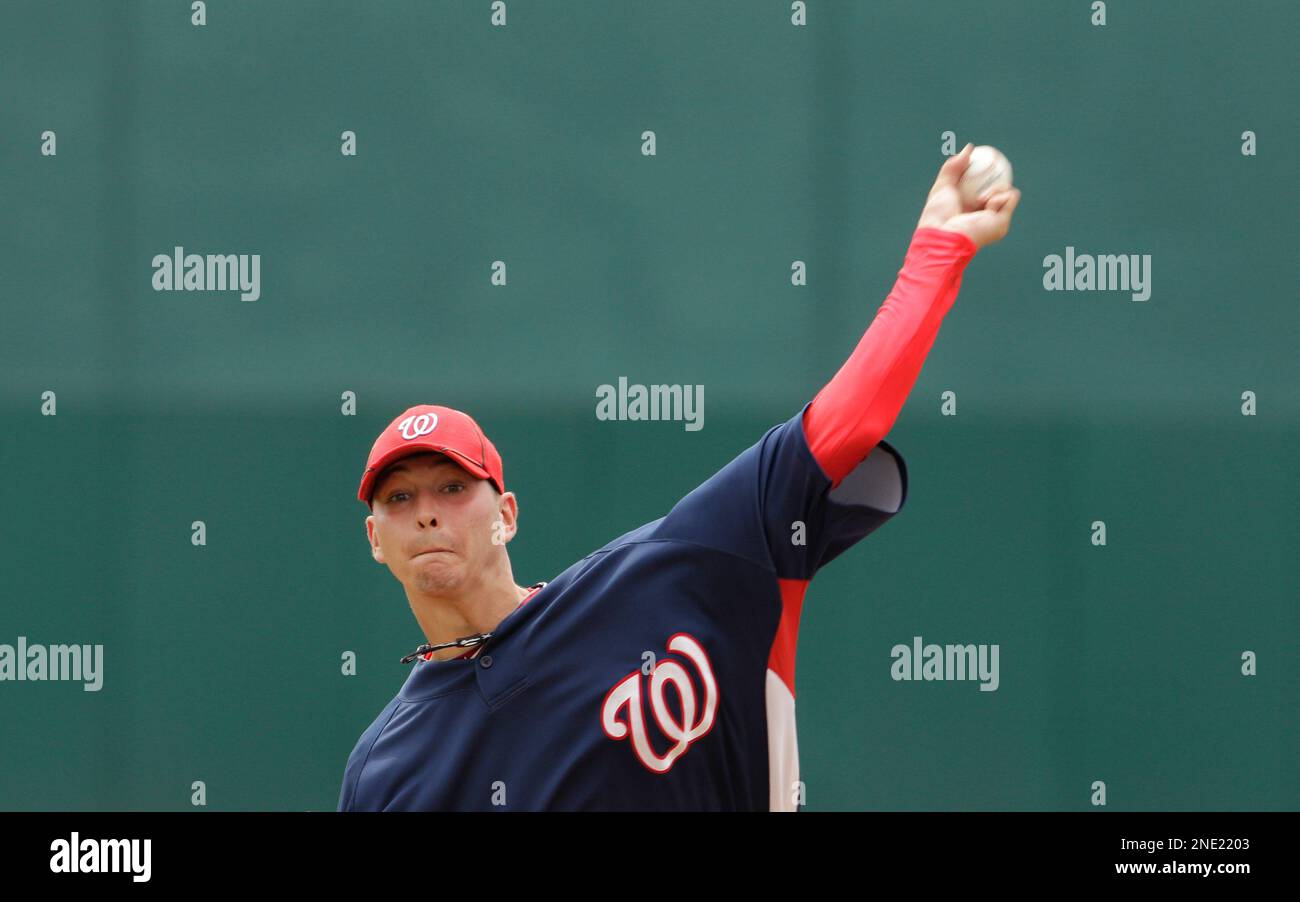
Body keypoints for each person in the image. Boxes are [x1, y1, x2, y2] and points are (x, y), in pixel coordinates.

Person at [338, 143, 1020, 811]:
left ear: (507, 513)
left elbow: (842, 425)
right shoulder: (385, 771)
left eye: (453, 487)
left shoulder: (672, 574)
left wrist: (937, 253)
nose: (428, 512)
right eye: (400, 498)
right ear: (375, 537)